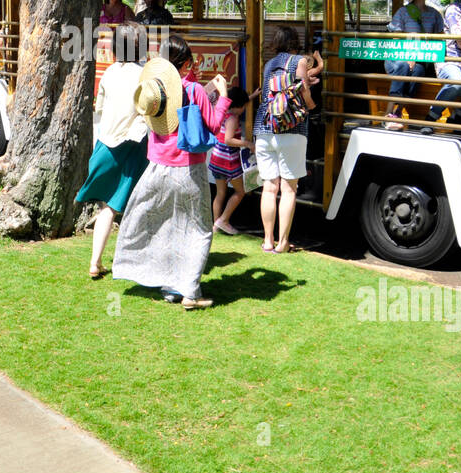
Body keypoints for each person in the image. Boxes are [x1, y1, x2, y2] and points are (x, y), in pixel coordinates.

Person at [113, 34, 231, 310]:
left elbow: (181, 101)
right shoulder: (196, 92)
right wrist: (222, 97)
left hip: (157, 169)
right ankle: (190, 292)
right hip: (190, 171)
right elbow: (212, 124)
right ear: (188, 62)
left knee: (167, 226)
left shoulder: (153, 92)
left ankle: (169, 286)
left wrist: (201, 86)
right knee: (199, 230)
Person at [75, 24, 150, 279]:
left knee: (108, 207)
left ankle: (95, 262)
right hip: (135, 146)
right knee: (138, 205)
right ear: (140, 46)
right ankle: (135, 261)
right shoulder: (145, 74)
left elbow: (100, 107)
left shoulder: (108, 73)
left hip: (105, 145)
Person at [253, 26, 317, 254]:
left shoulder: (268, 65)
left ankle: (267, 241)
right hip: (292, 129)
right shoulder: (299, 60)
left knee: (270, 188)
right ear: (294, 41)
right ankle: (282, 242)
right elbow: (301, 90)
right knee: (289, 190)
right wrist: (311, 105)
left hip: (265, 128)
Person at [383, 0, 443, 130]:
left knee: (418, 71)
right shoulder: (403, 12)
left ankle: (397, 112)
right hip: (398, 58)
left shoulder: (435, 15)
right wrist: (409, 54)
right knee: (403, 65)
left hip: (419, 60)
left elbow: (439, 38)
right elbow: (395, 38)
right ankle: (389, 111)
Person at [209, 85, 253, 235]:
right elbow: (228, 140)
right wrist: (247, 143)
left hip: (217, 158)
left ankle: (215, 225)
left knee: (220, 193)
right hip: (228, 161)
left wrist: (251, 96)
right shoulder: (233, 119)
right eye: (244, 105)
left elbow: (239, 103)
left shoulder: (224, 112)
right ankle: (224, 220)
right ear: (240, 105)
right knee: (241, 192)